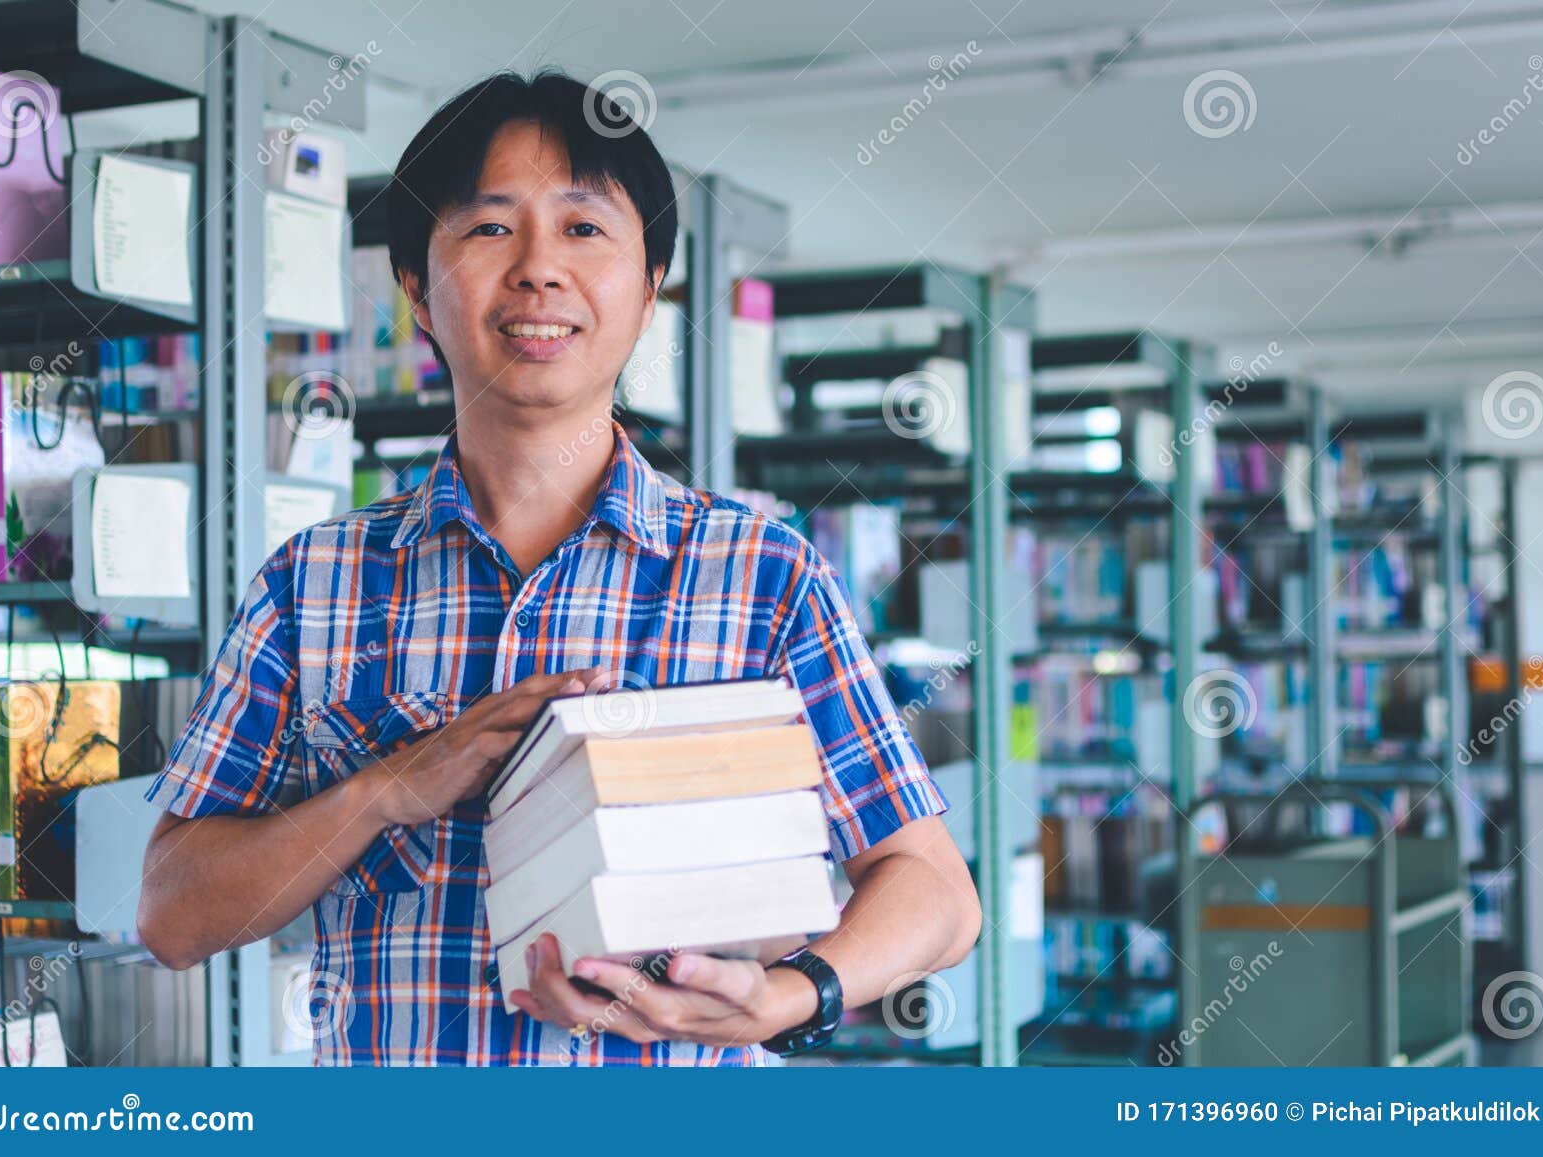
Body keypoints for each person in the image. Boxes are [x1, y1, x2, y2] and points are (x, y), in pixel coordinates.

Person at [137, 70, 980, 1066]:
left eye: (585, 229)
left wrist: (790, 995)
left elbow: (933, 888)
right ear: (414, 285)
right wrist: (384, 789)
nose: (539, 269)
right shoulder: (312, 582)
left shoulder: (762, 577)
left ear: (649, 284)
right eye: (490, 228)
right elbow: (173, 912)